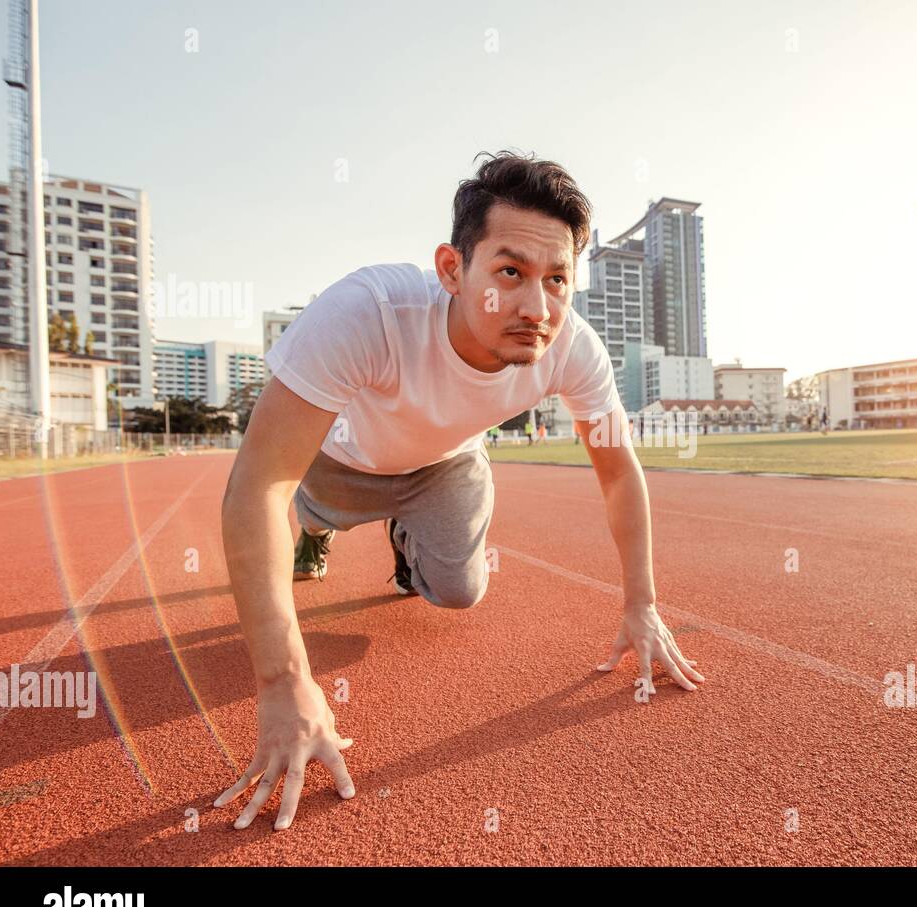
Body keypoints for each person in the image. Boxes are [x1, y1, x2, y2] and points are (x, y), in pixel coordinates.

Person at [216, 151, 704, 832]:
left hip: (444, 467)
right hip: (340, 460)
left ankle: (403, 537)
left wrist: (642, 604)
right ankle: (322, 529)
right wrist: (283, 683)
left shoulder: (572, 346)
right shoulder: (367, 311)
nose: (536, 306)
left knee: (458, 593)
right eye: (510, 272)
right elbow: (257, 488)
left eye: (557, 279)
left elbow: (619, 473)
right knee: (305, 504)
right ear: (452, 269)